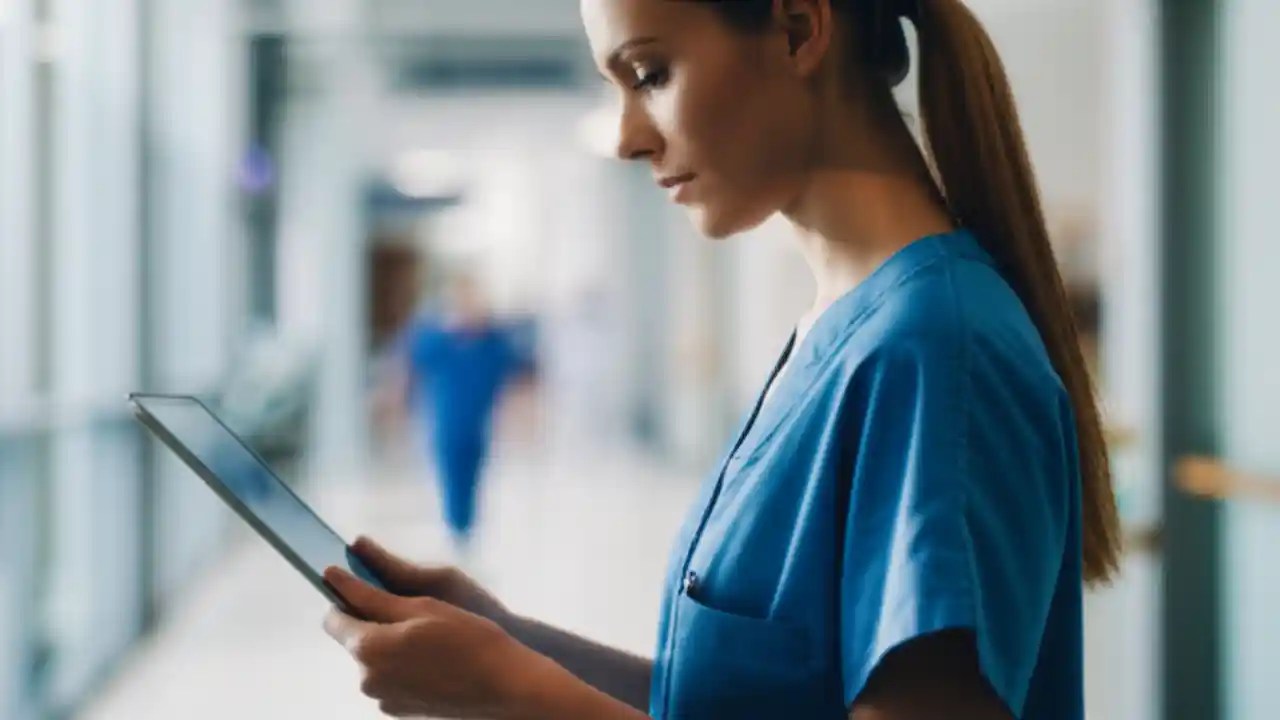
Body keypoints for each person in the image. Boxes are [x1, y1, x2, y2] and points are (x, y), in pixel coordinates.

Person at [321, 1, 1121, 718]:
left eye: (651, 74)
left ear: (798, 29)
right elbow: (727, 703)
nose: (627, 137)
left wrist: (514, 697)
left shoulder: (935, 350)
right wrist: (507, 642)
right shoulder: (840, 332)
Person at [399, 273, 517, 554]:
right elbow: (410, 367)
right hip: (446, 423)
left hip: (478, 424)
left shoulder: (493, 342)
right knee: (450, 474)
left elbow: (512, 375)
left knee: (473, 474)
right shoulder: (437, 338)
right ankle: (456, 529)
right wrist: (401, 405)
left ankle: (465, 527)